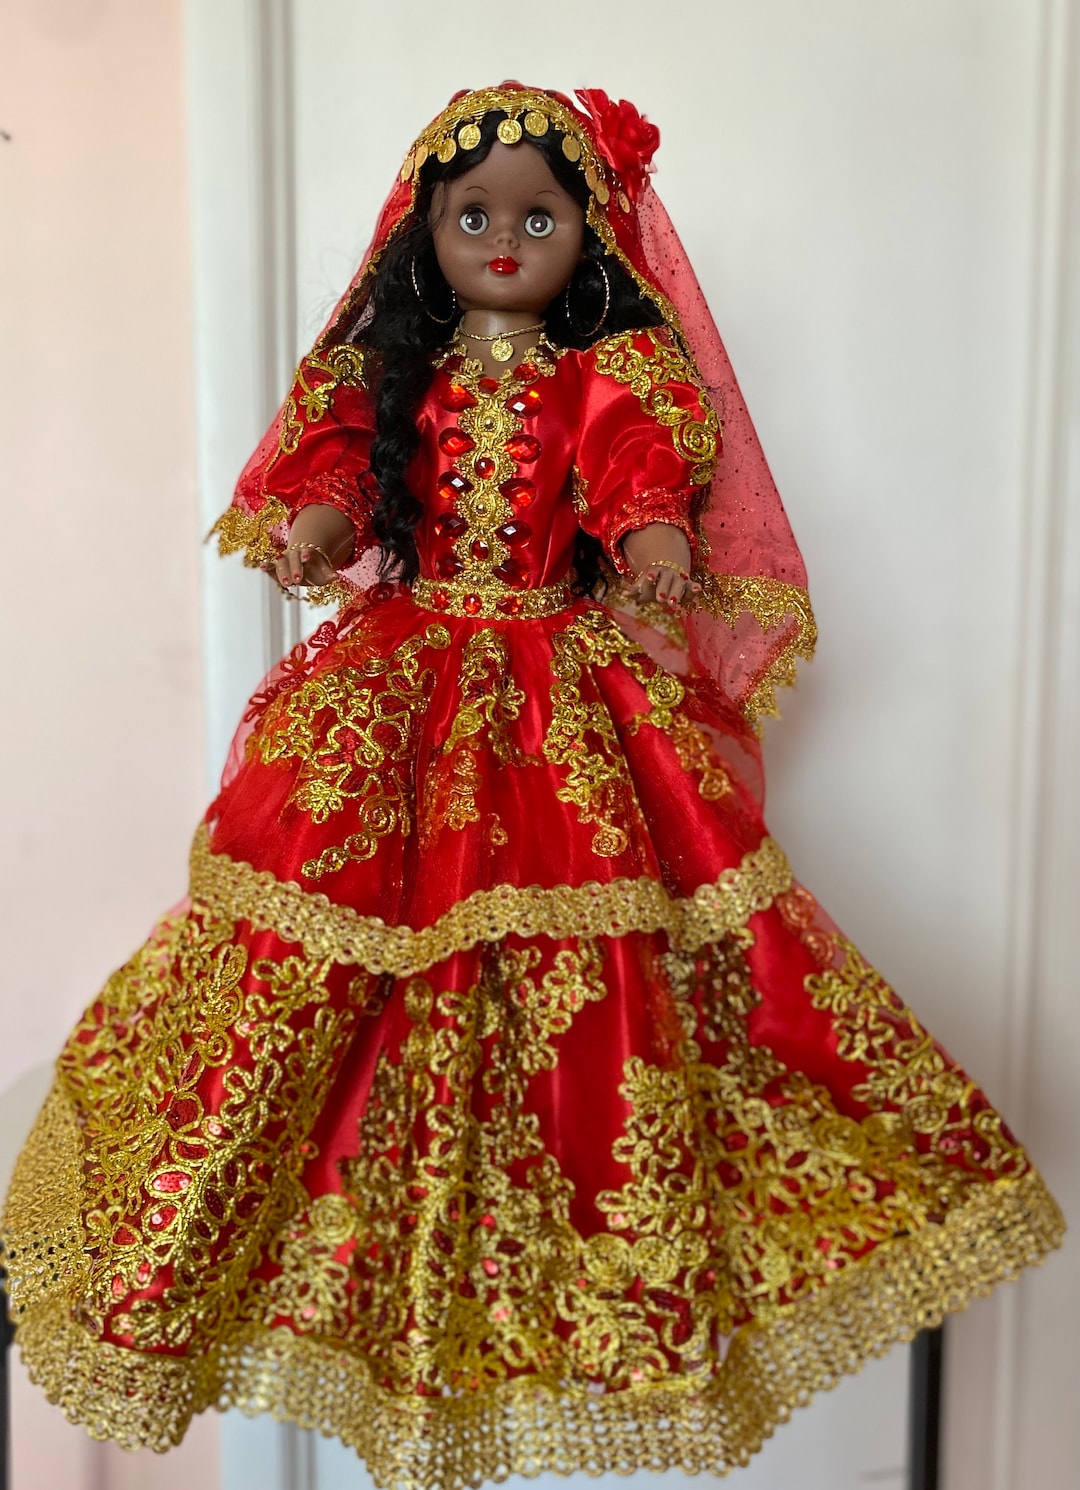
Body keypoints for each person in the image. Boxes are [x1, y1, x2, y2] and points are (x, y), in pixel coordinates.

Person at [1, 82, 1063, 1490]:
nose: (505, 241)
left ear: (588, 236)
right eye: (475, 216)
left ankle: (569, 1206)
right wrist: (317, 525)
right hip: (408, 674)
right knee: (340, 926)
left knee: (605, 921)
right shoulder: (395, 372)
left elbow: (630, 477)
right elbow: (339, 473)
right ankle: (325, 1201)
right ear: (427, 231)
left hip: (559, 681)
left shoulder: (601, 377)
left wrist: (654, 540)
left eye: (540, 219)